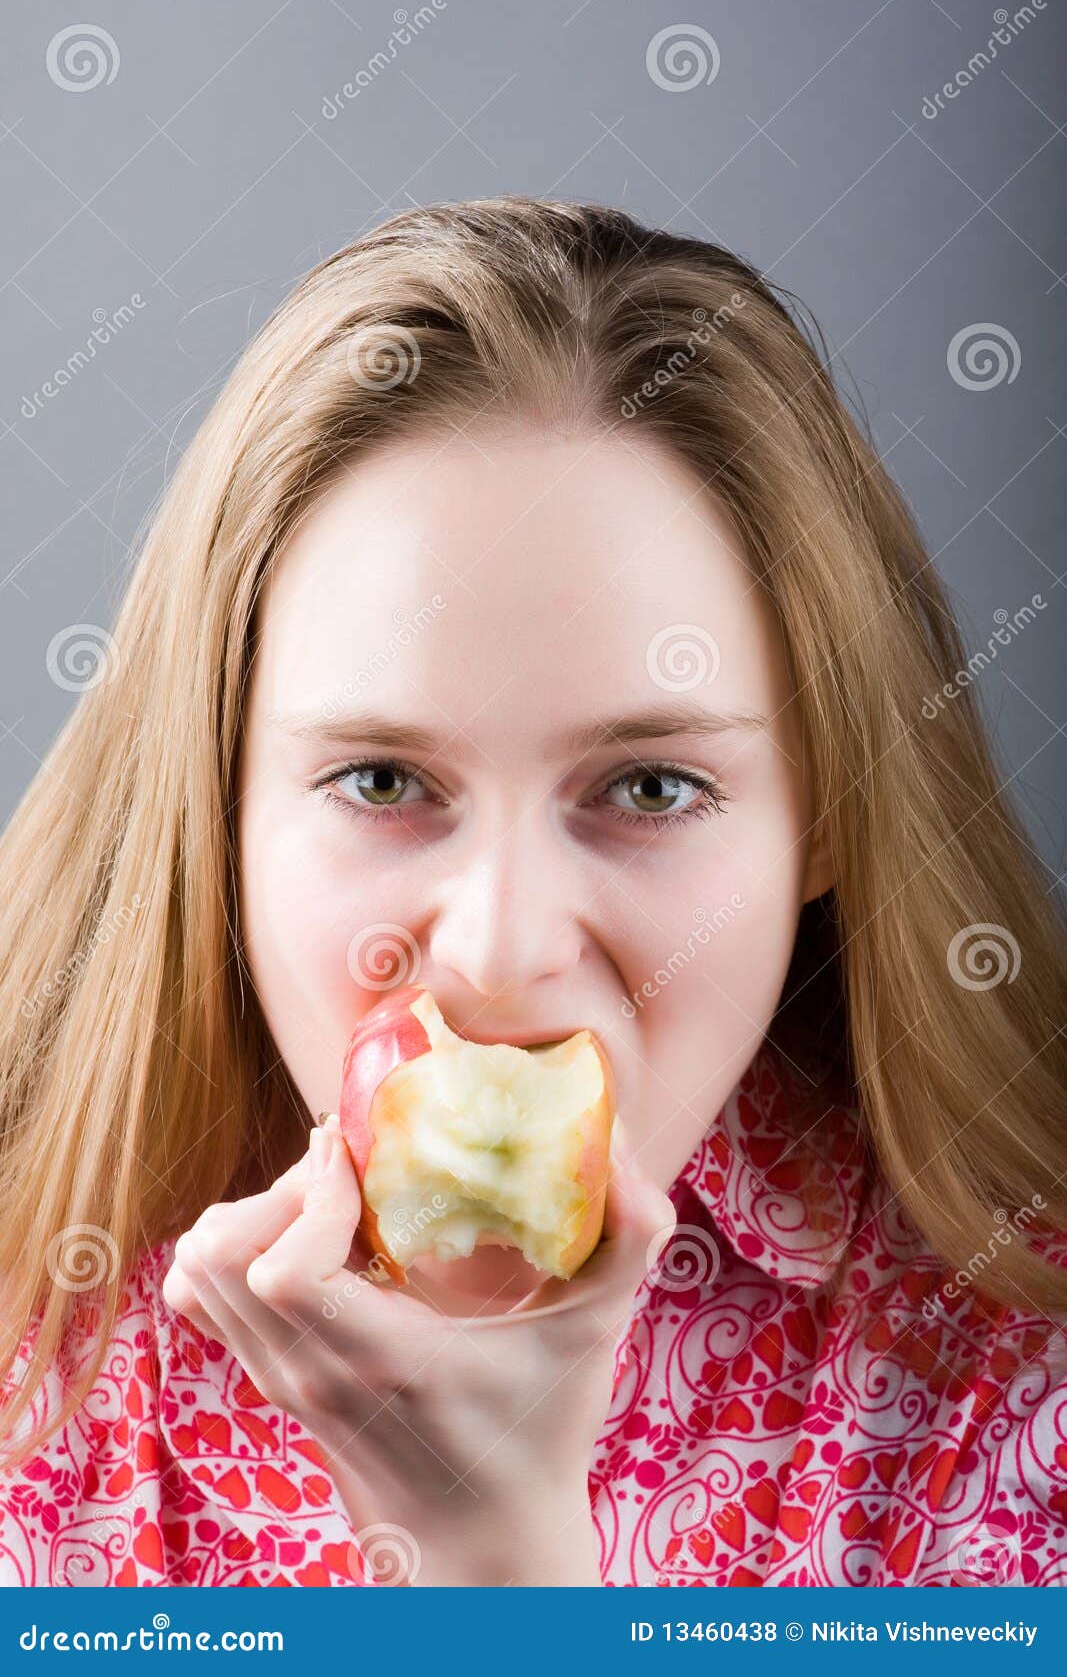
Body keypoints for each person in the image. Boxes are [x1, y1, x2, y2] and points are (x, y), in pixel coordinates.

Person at [1, 198, 1064, 1588]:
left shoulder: (1007, 1392)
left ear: (827, 819)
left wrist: (494, 1565)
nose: (499, 952)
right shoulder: (41, 1367)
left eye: (649, 789)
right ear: (219, 806)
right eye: (383, 780)